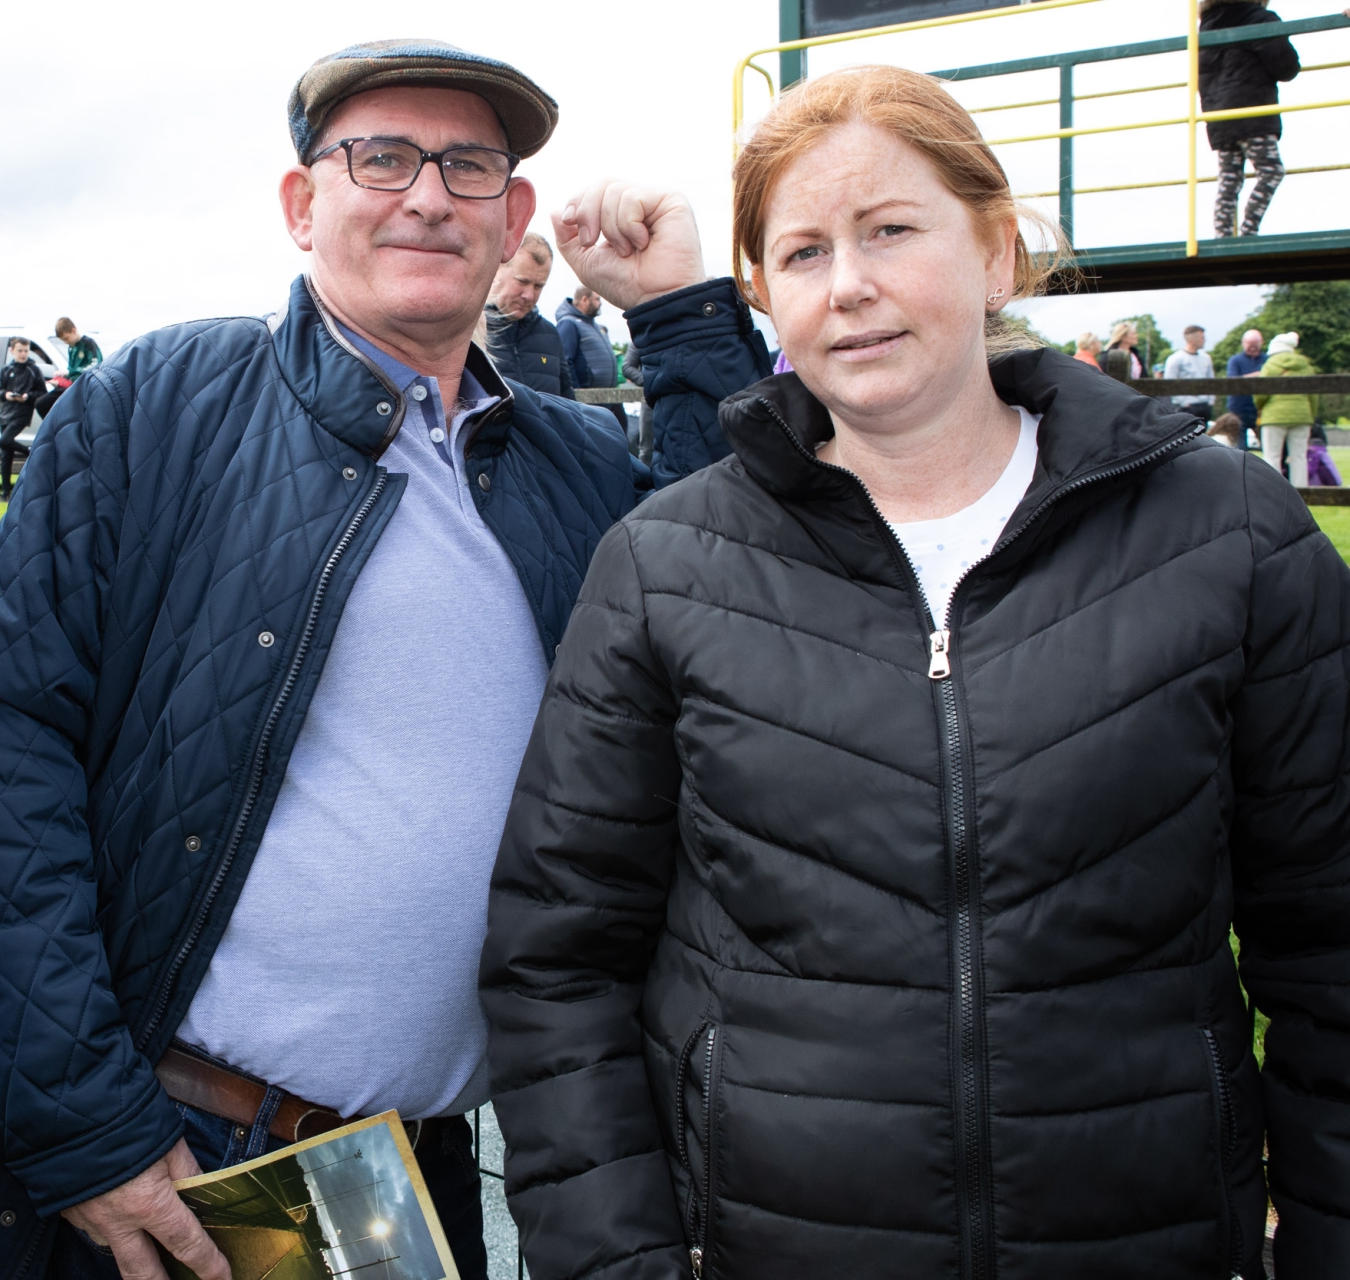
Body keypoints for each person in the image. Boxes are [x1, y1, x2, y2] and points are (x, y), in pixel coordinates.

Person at [481, 65, 1350, 1280]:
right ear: (764, 291)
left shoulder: (1230, 534)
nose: (850, 285)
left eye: (891, 230)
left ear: (996, 252)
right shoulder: (664, 566)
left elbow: (1328, 951)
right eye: (804, 252)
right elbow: (559, 959)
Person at [0, 38, 770, 1280]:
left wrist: (681, 310)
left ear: (513, 218)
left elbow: (743, 578)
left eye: (469, 165)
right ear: (301, 203)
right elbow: (13, 742)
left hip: (416, 1169)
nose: (428, 195)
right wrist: (83, 1119)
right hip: (203, 1158)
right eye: (381, 158)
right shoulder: (156, 407)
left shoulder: (571, 466)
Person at [1201, 0, 1300, 237]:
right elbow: (1286, 68)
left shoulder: (1207, 24)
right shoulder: (1259, 19)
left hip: (1218, 114)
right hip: (1252, 112)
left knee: (1229, 180)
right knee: (1271, 171)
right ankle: (1248, 230)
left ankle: (1223, 237)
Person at [483, 230, 572, 397]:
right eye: (522, 282)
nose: (529, 295)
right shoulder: (468, 331)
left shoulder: (550, 335)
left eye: (538, 286)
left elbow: (568, 402)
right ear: (496, 270)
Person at [557, 285, 629, 432]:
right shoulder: (569, 324)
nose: (600, 303)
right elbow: (566, 361)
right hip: (588, 403)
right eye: (597, 299)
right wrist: (578, 397)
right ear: (585, 300)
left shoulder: (595, 326)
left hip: (607, 399)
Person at [1255, 329, 1318, 484]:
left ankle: (1273, 491)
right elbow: (1313, 395)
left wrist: (1260, 406)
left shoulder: (1270, 365)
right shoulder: (1305, 365)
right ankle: (1301, 492)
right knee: (1299, 457)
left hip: (1274, 416)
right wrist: (1311, 414)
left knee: (1272, 456)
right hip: (1302, 415)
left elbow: (1260, 393)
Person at [0, 336, 48, 499]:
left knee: (4, 440)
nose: (23, 354)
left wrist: (27, 396)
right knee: (6, 454)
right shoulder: (6, 370)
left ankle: (29, 451)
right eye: (20, 351)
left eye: (26, 351)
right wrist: (6, 395)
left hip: (22, 413)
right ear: (12, 351)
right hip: (6, 412)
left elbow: (42, 393)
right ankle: (5, 491)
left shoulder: (34, 370)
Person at [1162, 322, 1216, 419]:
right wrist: (1183, 402)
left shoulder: (1206, 358)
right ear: (1192, 339)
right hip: (1186, 406)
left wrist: (1211, 401)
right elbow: (1169, 383)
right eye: (1202, 337)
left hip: (1205, 405)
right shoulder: (1176, 358)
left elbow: (1211, 380)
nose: (1204, 340)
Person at [1228, 327, 1267, 446]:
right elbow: (1231, 381)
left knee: (1267, 445)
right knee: (1240, 447)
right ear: (1243, 343)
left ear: (1261, 343)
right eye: (1250, 344)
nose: (1252, 348)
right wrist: (1255, 376)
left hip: (1261, 409)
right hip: (1239, 408)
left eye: (1255, 344)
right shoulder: (1235, 360)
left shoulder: (1267, 359)